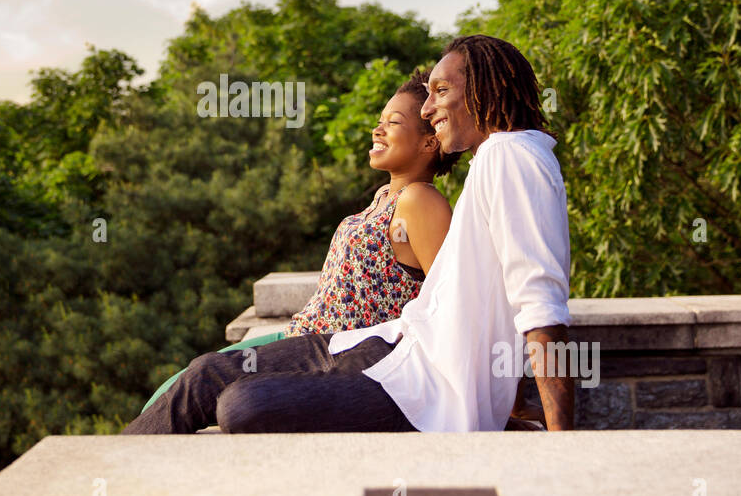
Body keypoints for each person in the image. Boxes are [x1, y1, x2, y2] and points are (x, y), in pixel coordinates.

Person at [122, 34, 575, 435]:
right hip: (391, 345)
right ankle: (104, 469)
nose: (428, 106)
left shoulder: (511, 156)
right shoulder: (495, 159)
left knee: (241, 404)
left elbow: (539, 307)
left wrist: (561, 444)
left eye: (441, 91)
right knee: (205, 375)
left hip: (425, 393)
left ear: (484, 90)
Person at [130, 67, 462, 423]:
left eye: (393, 123)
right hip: (306, 338)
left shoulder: (420, 201)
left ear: (429, 143)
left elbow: (450, 302)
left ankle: (115, 467)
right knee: (182, 383)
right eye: (379, 120)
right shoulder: (385, 195)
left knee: (207, 384)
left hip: (351, 351)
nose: (376, 130)